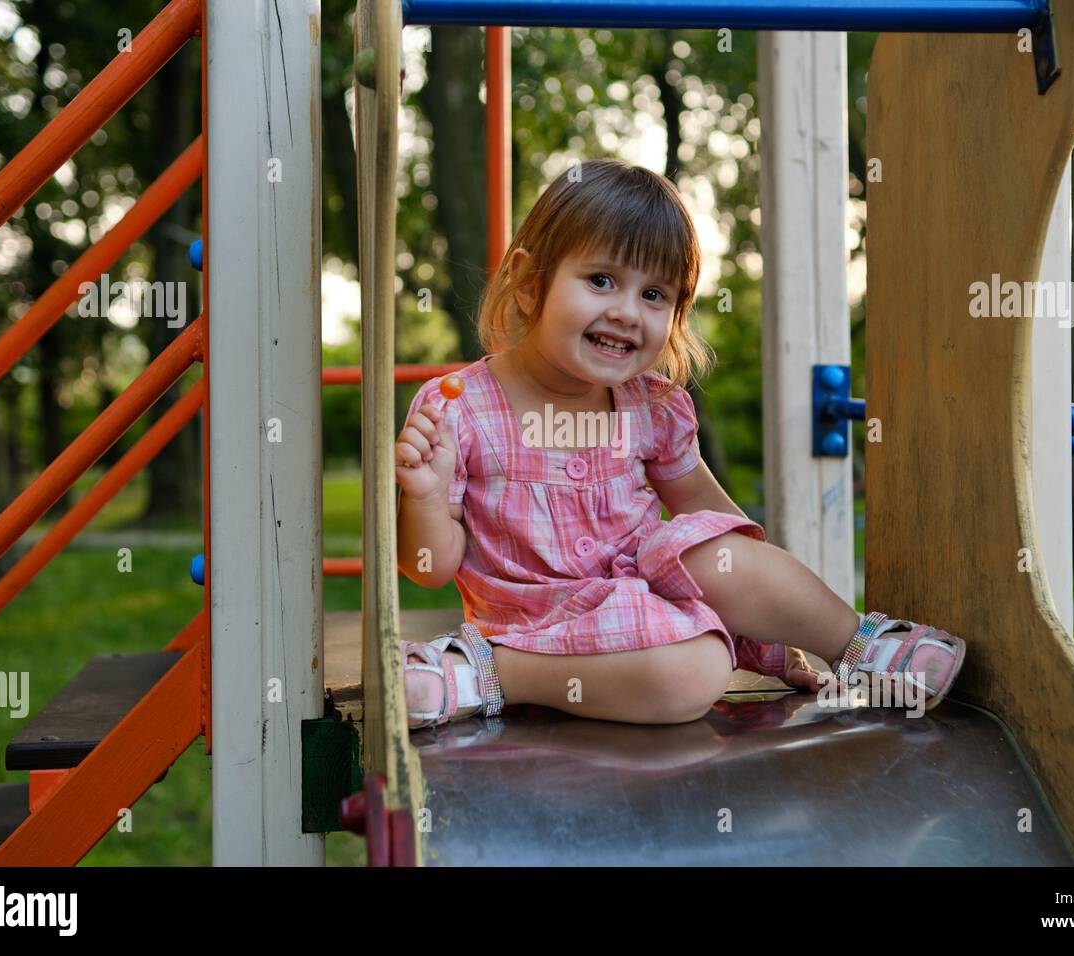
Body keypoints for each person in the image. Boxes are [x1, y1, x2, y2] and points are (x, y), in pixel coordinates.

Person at [394, 159, 964, 729]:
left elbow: (716, 519)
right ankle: (487, 670)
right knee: (695, 674)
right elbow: (430, 568)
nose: (625, 311)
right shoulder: (459, 407)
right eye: (601, 280)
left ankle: (856, 645)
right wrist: (423, 495)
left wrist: (773, 624)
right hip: (535, 627)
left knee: (719, 548)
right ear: (526, 283)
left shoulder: (652, 404)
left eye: (654, 294)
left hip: (642, 606)